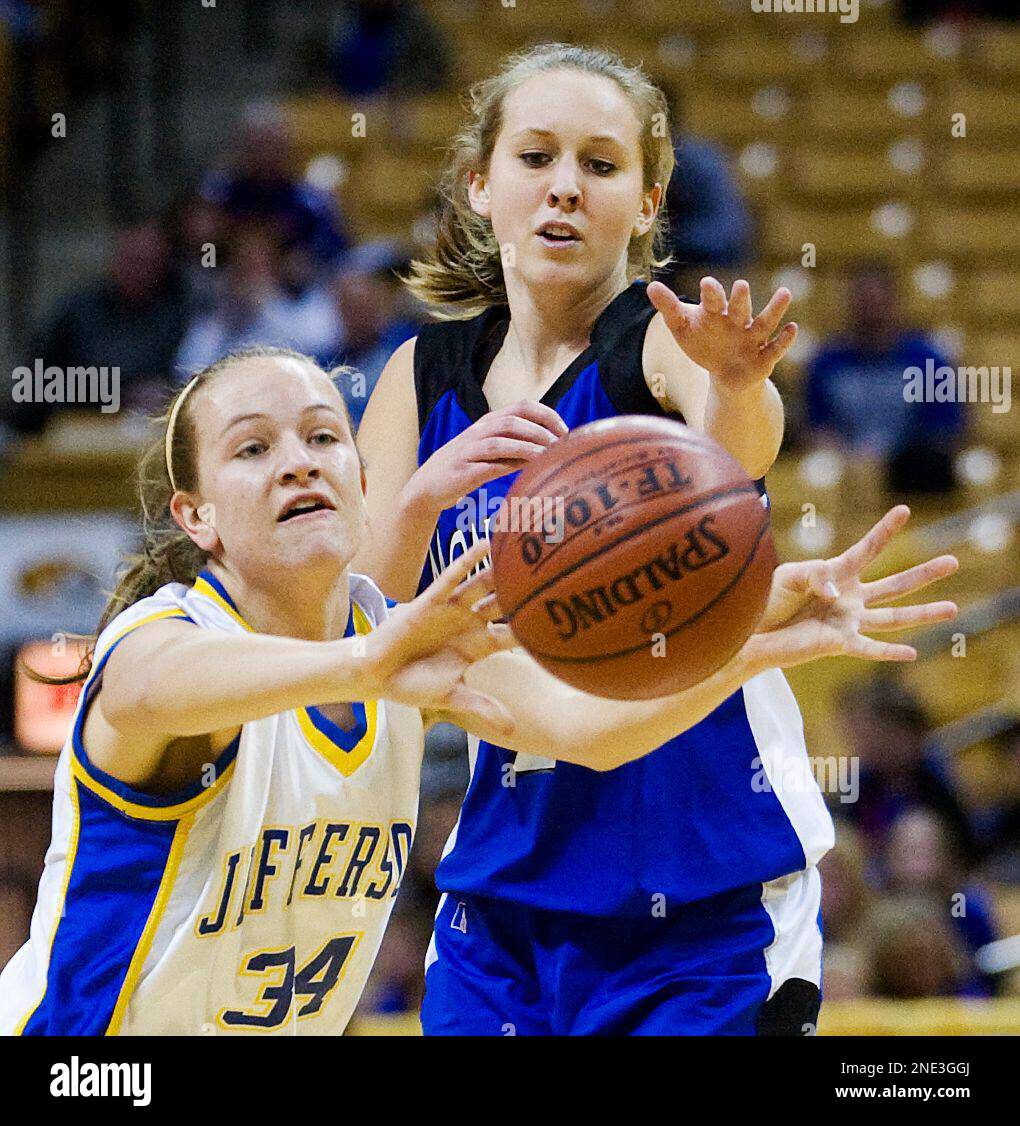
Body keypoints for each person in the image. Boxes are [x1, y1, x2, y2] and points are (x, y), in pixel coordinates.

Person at [0, 343, 953, 1036]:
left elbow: (594, 729)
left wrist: (750, 633)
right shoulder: (167, 640)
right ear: (196, 516)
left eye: (323, 437)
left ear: (362, 478)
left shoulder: (402, 637)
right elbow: (149, 689)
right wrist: (363, 667)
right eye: (253, 449)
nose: (297, 459)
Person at [354, 43, 959, 1035]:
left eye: (600, 165)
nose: (564, 188)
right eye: (536, 157)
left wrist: (733, 384)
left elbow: (735, 456)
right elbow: (362, 621)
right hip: (502, 902)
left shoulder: (661, 337)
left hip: (704, 898)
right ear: (478, 182)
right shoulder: (419, 374)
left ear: (647, 203)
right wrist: (423, 495)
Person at [805, 261, 965, 494]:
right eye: (863, 304)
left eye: (877, 304)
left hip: (911, 478)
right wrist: (853, 460)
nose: (871, 313)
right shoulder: (826, 362)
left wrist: (888, 463)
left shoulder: (927, 360)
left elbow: (944, 434)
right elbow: (814, 427)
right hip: (845, 476)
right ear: (851, 305)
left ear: (894, 304)